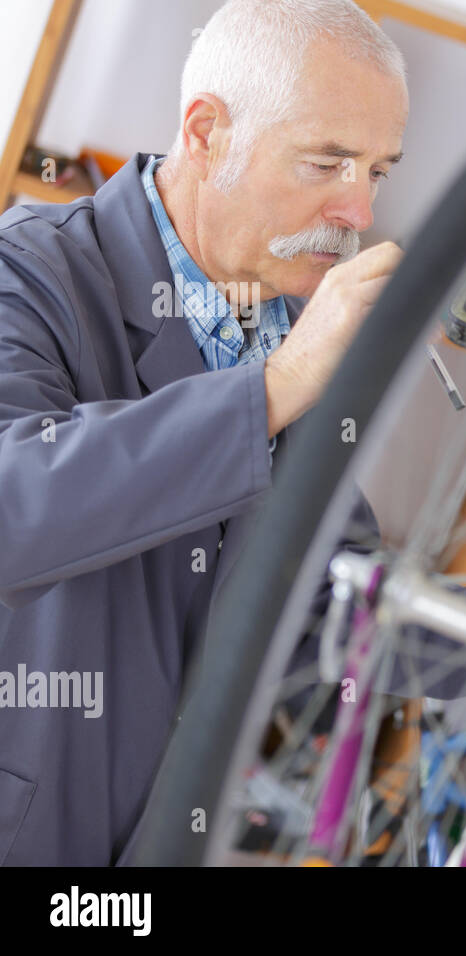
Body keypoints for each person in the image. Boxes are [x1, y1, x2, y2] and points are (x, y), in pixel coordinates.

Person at [0, 0, 413, 865]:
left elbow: (340, 611)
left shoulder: (284, 334)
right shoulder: (27, 269)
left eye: (378, 170)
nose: (358, 209)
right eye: (327, 159)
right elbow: (15, 505)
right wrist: (280, 385)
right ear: (206, 131)